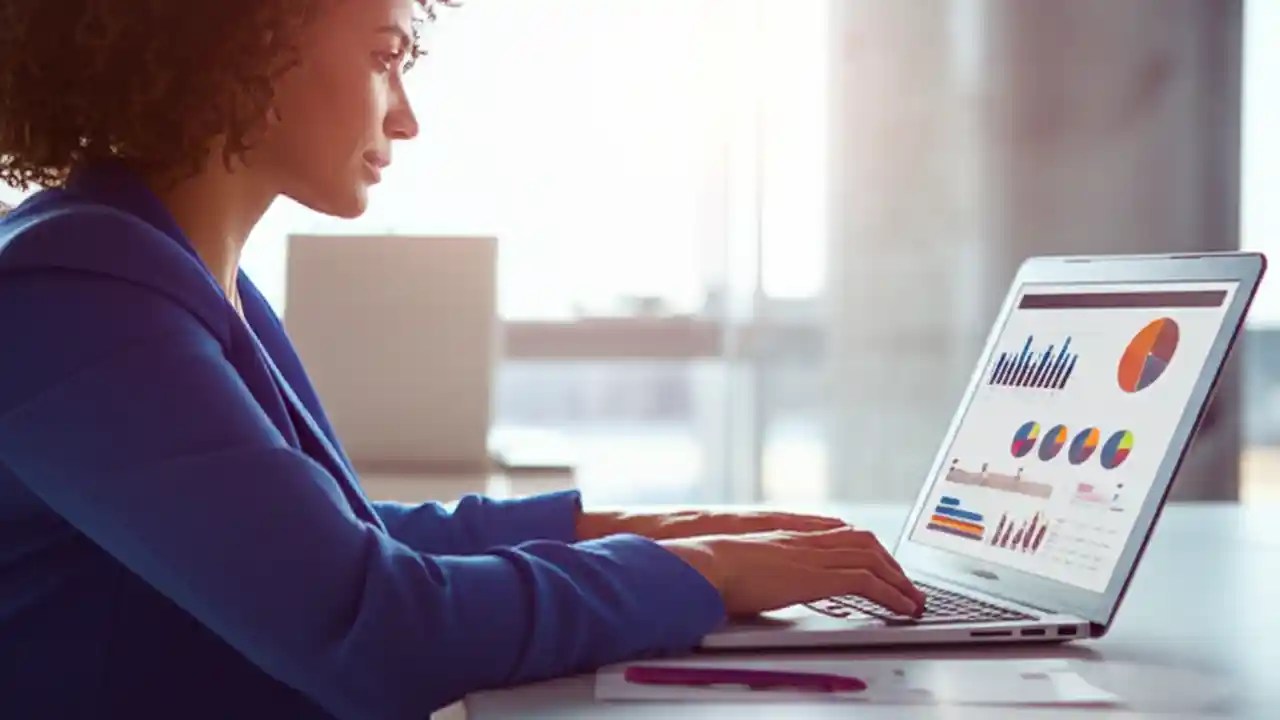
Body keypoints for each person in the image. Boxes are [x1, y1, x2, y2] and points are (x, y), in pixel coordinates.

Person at [0, 1, 925, 717]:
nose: (405, 118)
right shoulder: (78, 297)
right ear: (244, 43)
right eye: (384, 58)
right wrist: (706, 571)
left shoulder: (158, 271)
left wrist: (636, 527)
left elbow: (334, 538)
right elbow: (374, 627)